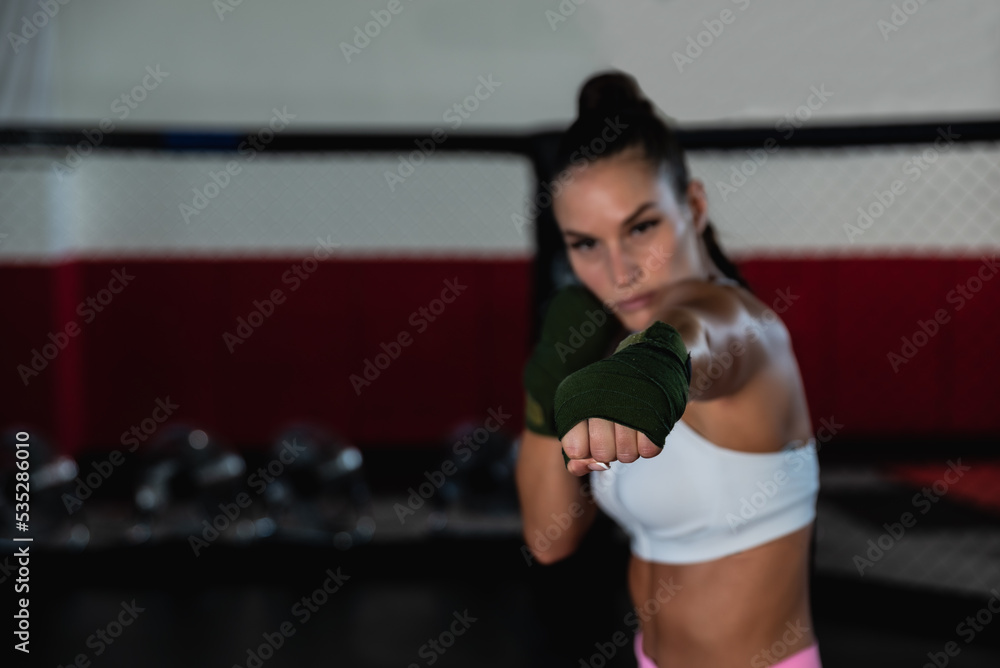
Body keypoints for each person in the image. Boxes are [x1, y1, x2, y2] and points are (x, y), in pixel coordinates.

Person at [515, 71, 822, 668]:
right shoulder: (602, 340)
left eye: (642, 227)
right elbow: (549, 539)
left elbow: (699, 337)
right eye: (585, 244)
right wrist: (551, 372)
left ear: (695, 206)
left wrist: (648, 369)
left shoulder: (740, 324)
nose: (619, 269)